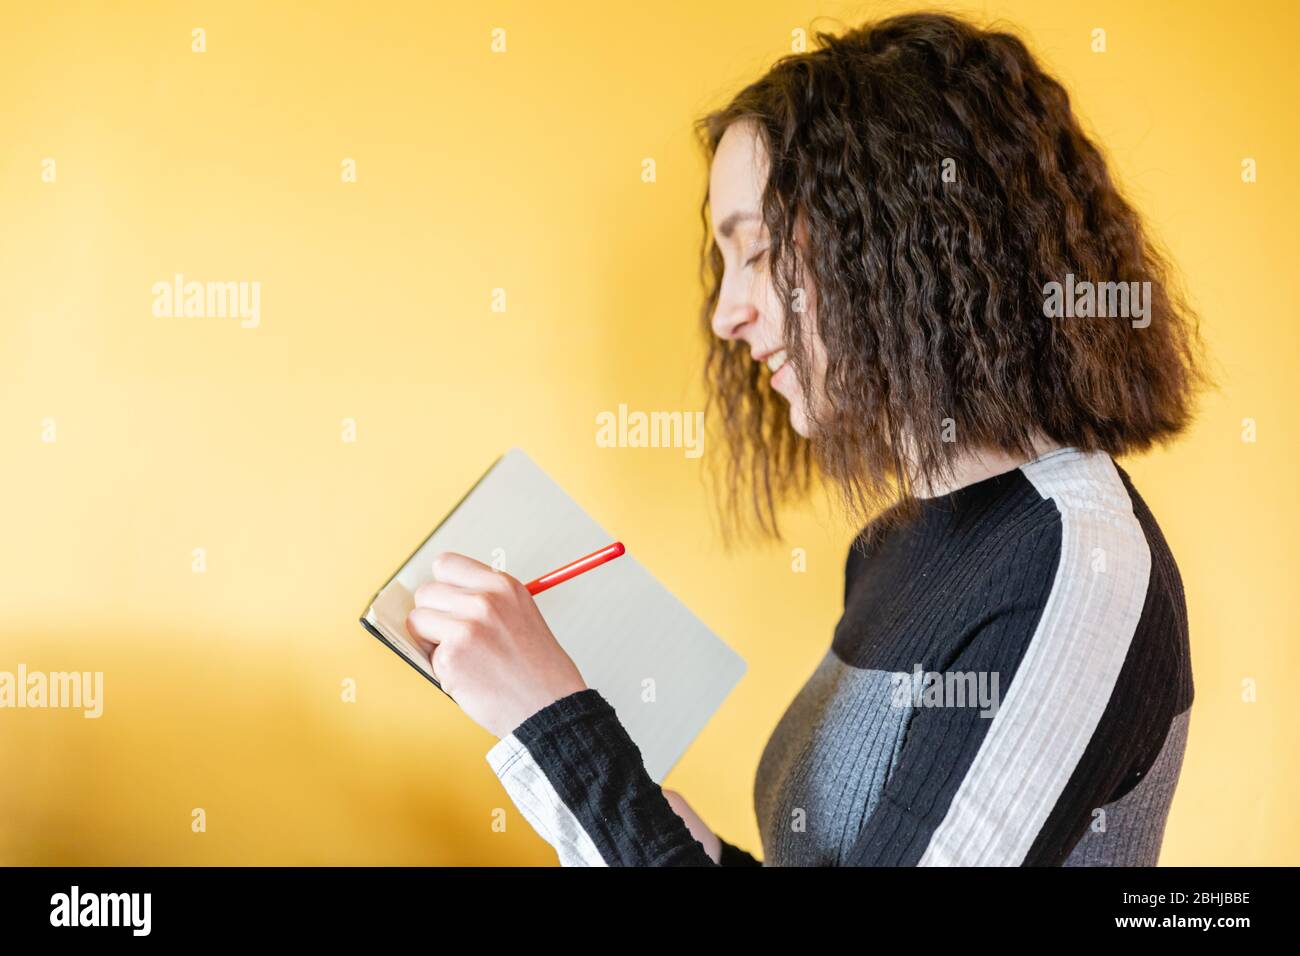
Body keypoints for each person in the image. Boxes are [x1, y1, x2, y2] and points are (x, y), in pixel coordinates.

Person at [403, 12, 1206, 866]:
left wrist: (553, 719)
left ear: (904, 239)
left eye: (755, 251)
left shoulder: (1078, 570)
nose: (726, 313)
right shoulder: (895, 543)